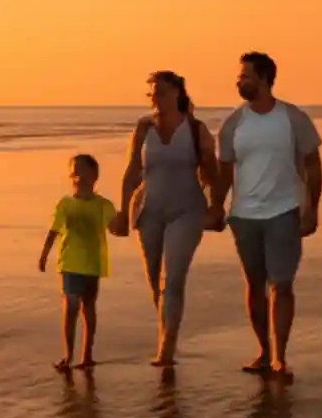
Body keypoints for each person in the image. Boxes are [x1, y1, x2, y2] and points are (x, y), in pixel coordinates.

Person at [208, 52, 322, 377]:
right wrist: (217, 207)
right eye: (239, 75)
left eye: (245, 76)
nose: (238, 81)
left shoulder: (292, 118)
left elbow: (313, 165)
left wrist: (312, 208)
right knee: (254, 284)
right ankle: (264, 350)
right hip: (244, 216)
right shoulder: (233, 123)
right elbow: (224, 171)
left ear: (263, 79)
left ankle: (280, 357)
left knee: (281, 284)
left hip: (284, 211)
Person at [111, 72, 217, 367]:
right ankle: (166, 332)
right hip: (148, 210)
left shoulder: (196, 129)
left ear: (177, 94)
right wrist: (122, 212)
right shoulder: (144, 128)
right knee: (154, 279)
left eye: (161, 93)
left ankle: (166, 349)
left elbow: (212, 172)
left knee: (172, 279)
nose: (155, 98)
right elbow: (133, 170)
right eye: (152, 94)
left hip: (187, 210)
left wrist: (216, 207)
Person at [39, 154, 118, 372]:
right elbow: (54, 230)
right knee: (70, 306)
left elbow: (117, 227)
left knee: (88, 307)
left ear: (95, 176)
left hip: (92, 264)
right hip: (69, 263)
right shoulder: (65, 204)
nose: (78, 176)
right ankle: (68, 354)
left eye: (82, 171)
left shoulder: (103, 205)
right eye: (74, 171)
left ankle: (87, 354)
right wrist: (44, 254)